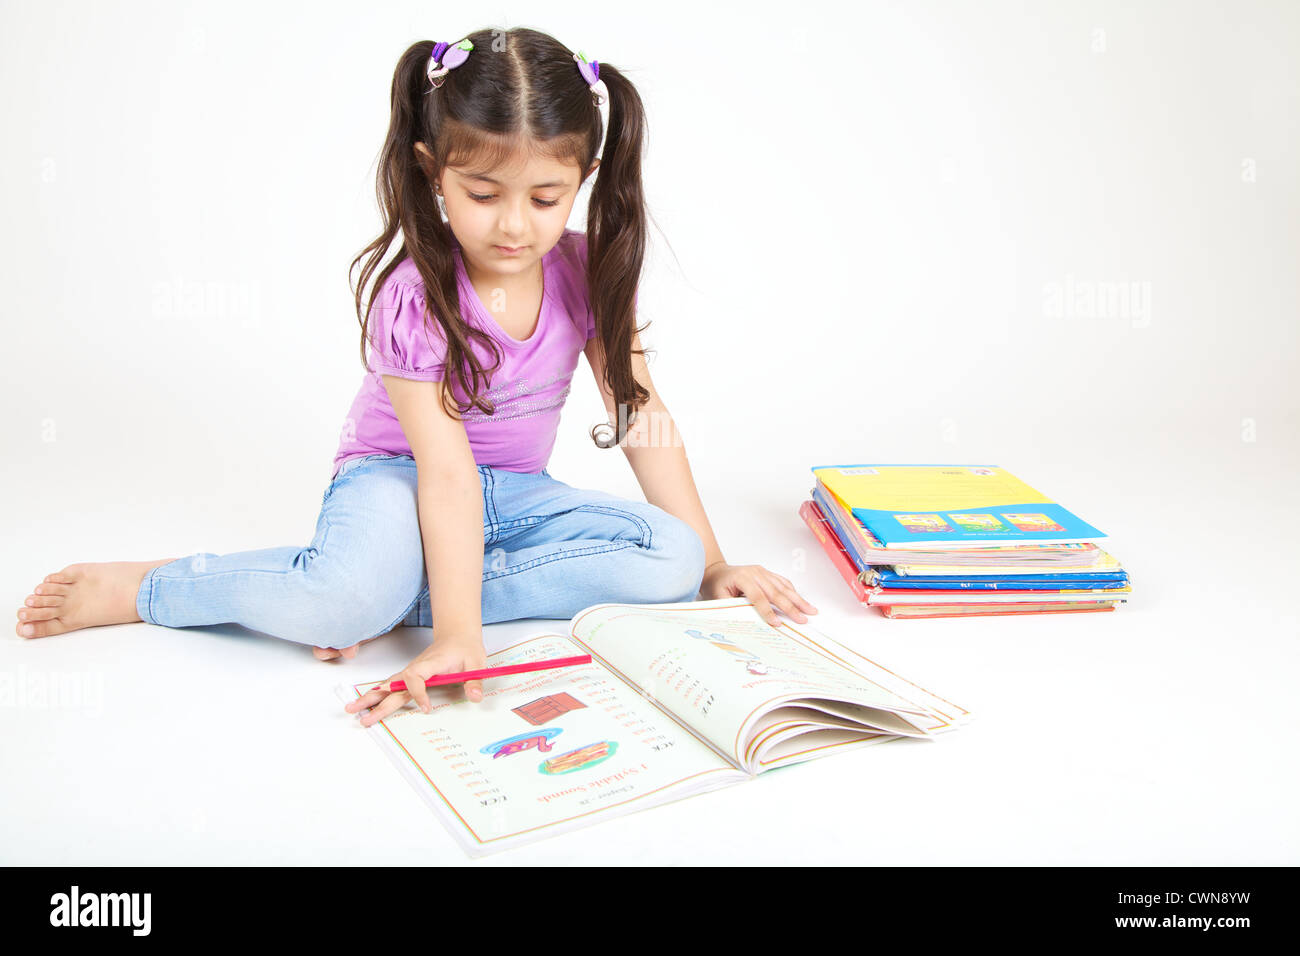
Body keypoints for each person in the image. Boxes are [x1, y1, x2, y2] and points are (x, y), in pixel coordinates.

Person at [14, 28, 817, 727]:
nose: (513, 225)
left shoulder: (585, 269)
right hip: (399, 480)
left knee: (667, 562)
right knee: (338, 603)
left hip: (511, 493)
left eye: (545, 197)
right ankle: (159, 588)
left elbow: (641, 416)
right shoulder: (415, 294)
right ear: (434, 169)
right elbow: (443, 472)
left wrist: (715, 564)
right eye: (481, 193)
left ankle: (394, 591)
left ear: (586, 176)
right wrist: (458, 637)